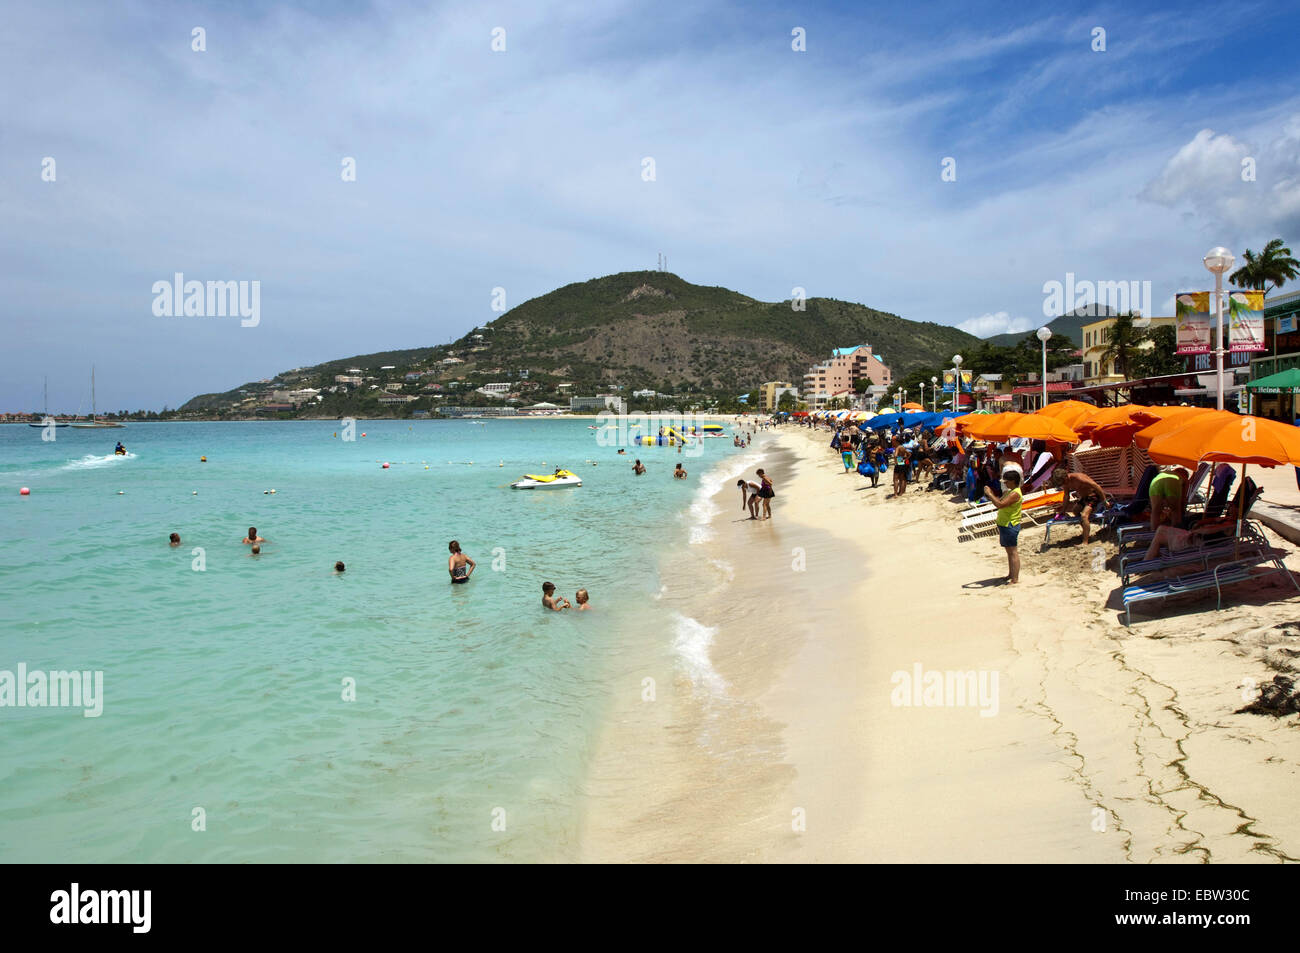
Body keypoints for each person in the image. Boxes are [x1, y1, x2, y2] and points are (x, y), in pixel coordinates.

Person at [984, 469, 1022, 584]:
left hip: (1010, 525)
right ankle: (1011, 574)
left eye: (1006, 481)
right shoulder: (1010, 491)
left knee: (1013, 551)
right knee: (1009, 551)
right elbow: (999, 501)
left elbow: (1000, 505)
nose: (1005, 483)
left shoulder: (1015, 493)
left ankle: (1015, 579)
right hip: (1004, 524)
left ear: (1013, 481)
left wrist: (990, 494)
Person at [1055, 470, 1110, 544]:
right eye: (1062, 483)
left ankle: (1085, 541)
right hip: (1084, 498)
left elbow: (1097, 486)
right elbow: (1066, 496)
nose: (1064, 484)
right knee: (1075, 511)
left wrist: (1104, 501)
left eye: (1064, 482)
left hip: (1093, 496)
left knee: (1084, 516)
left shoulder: (1079, 478)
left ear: (1066, 476)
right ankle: (1086, 531)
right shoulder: (1065, 482)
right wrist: (1063, 510)